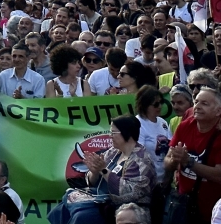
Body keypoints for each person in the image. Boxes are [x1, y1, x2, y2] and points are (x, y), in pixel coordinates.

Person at [47, 115, 155, 224]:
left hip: (127, 208)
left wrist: (104, 170)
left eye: (113, 133)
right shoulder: (113, 152)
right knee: (60, 210)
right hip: (102, 201)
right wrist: (94, 172)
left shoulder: (141, 159)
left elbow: (129, 194)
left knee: (82, 217)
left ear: (127, 133)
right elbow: (92, 180)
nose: (110, 136)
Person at [164, 86, 221, 223]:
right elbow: (167, 162)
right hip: (183, 205)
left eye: (205, 103)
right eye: (196, 102)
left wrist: (189, 162)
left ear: (218, 111)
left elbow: (219, 175)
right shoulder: (185, 126)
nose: (198, 106)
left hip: (212, 212)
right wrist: (175, 160)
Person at [134, 84, 171, 182]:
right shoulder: (137, 123)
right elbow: (138, 154)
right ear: (145, 105)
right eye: (155, 104)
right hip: (146, 180)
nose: (159, 106)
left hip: (164, 178)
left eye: (161, 102)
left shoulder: (163, 122)